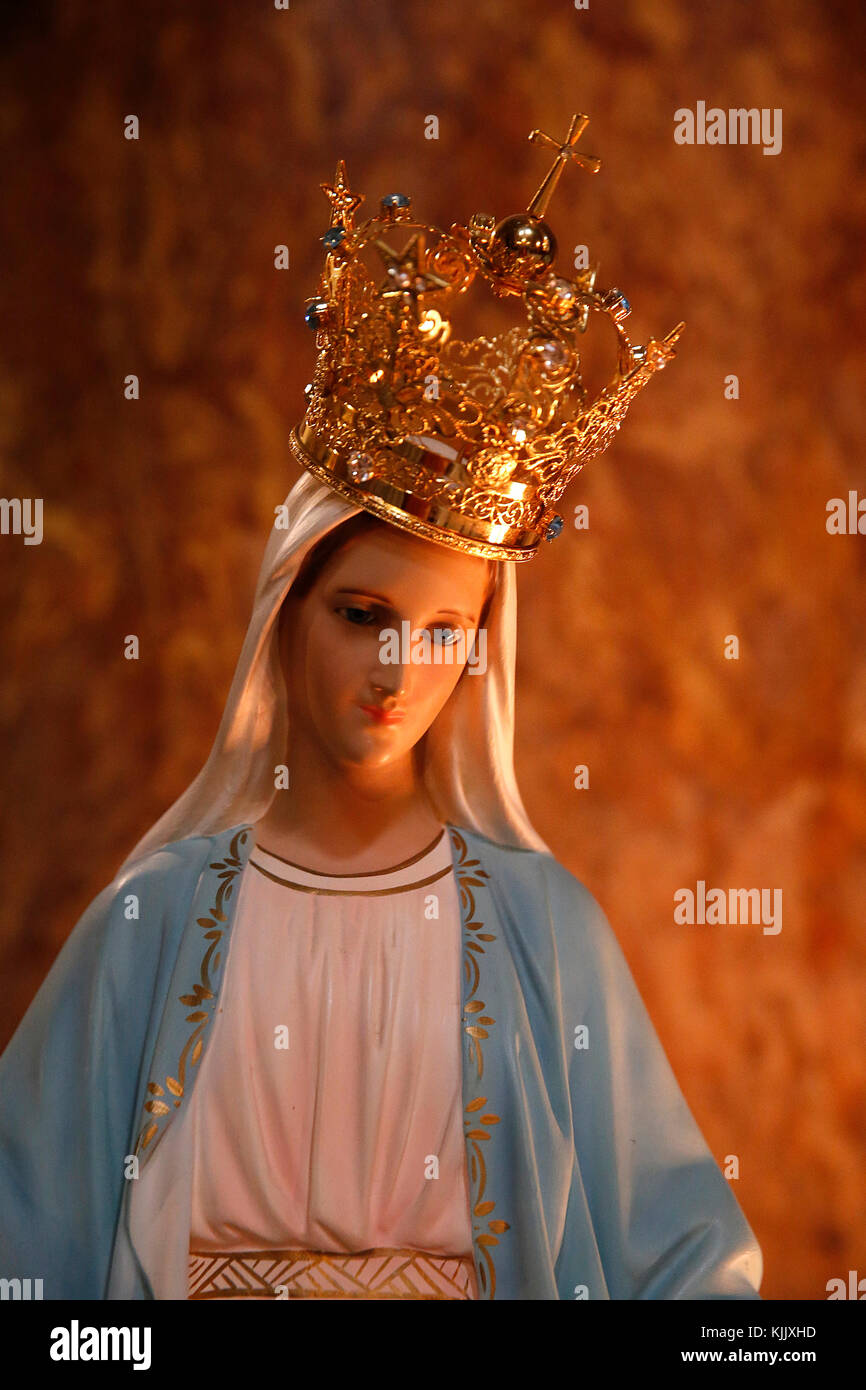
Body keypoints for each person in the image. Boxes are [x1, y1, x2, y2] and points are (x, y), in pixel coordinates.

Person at [0, 118, 763, 1300]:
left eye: (442, 632)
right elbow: (23, 1248)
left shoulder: (538, 928)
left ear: (477, 655)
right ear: (283, 613)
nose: (397, 669)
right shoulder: (151, 923)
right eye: (361, 614)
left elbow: (689, 1263)